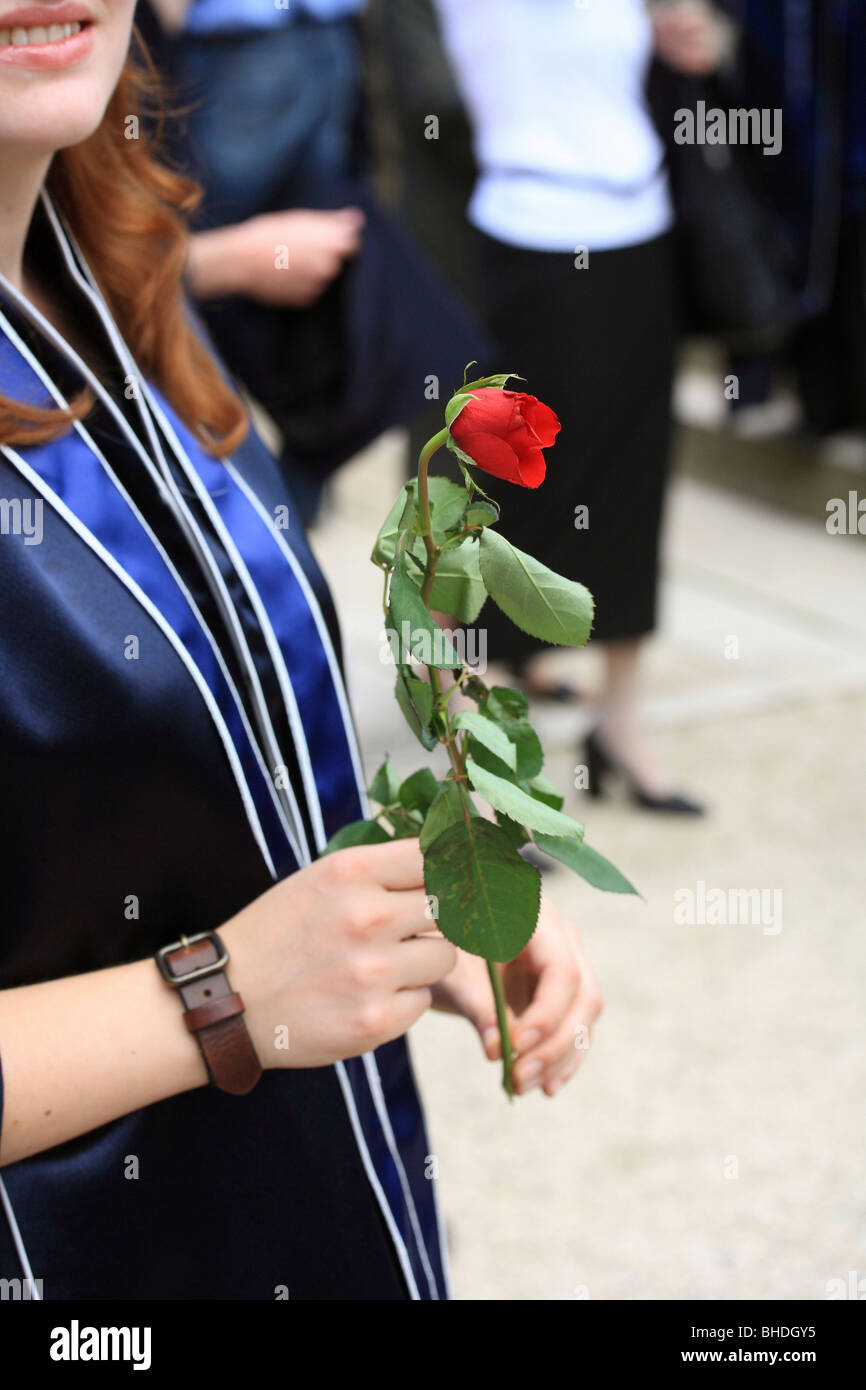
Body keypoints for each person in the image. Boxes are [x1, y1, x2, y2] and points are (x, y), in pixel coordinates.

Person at [0, 1, 602, 1300]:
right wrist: (221, 995)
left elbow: (188, 767)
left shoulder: (113, 273)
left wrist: (411, 906)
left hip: (301, 1195)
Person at [433, 0, 722, 812]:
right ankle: (489, 768)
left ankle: (621, 722)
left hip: (641, 225)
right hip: (533, 238)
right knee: (514, 497)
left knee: (635, 482)